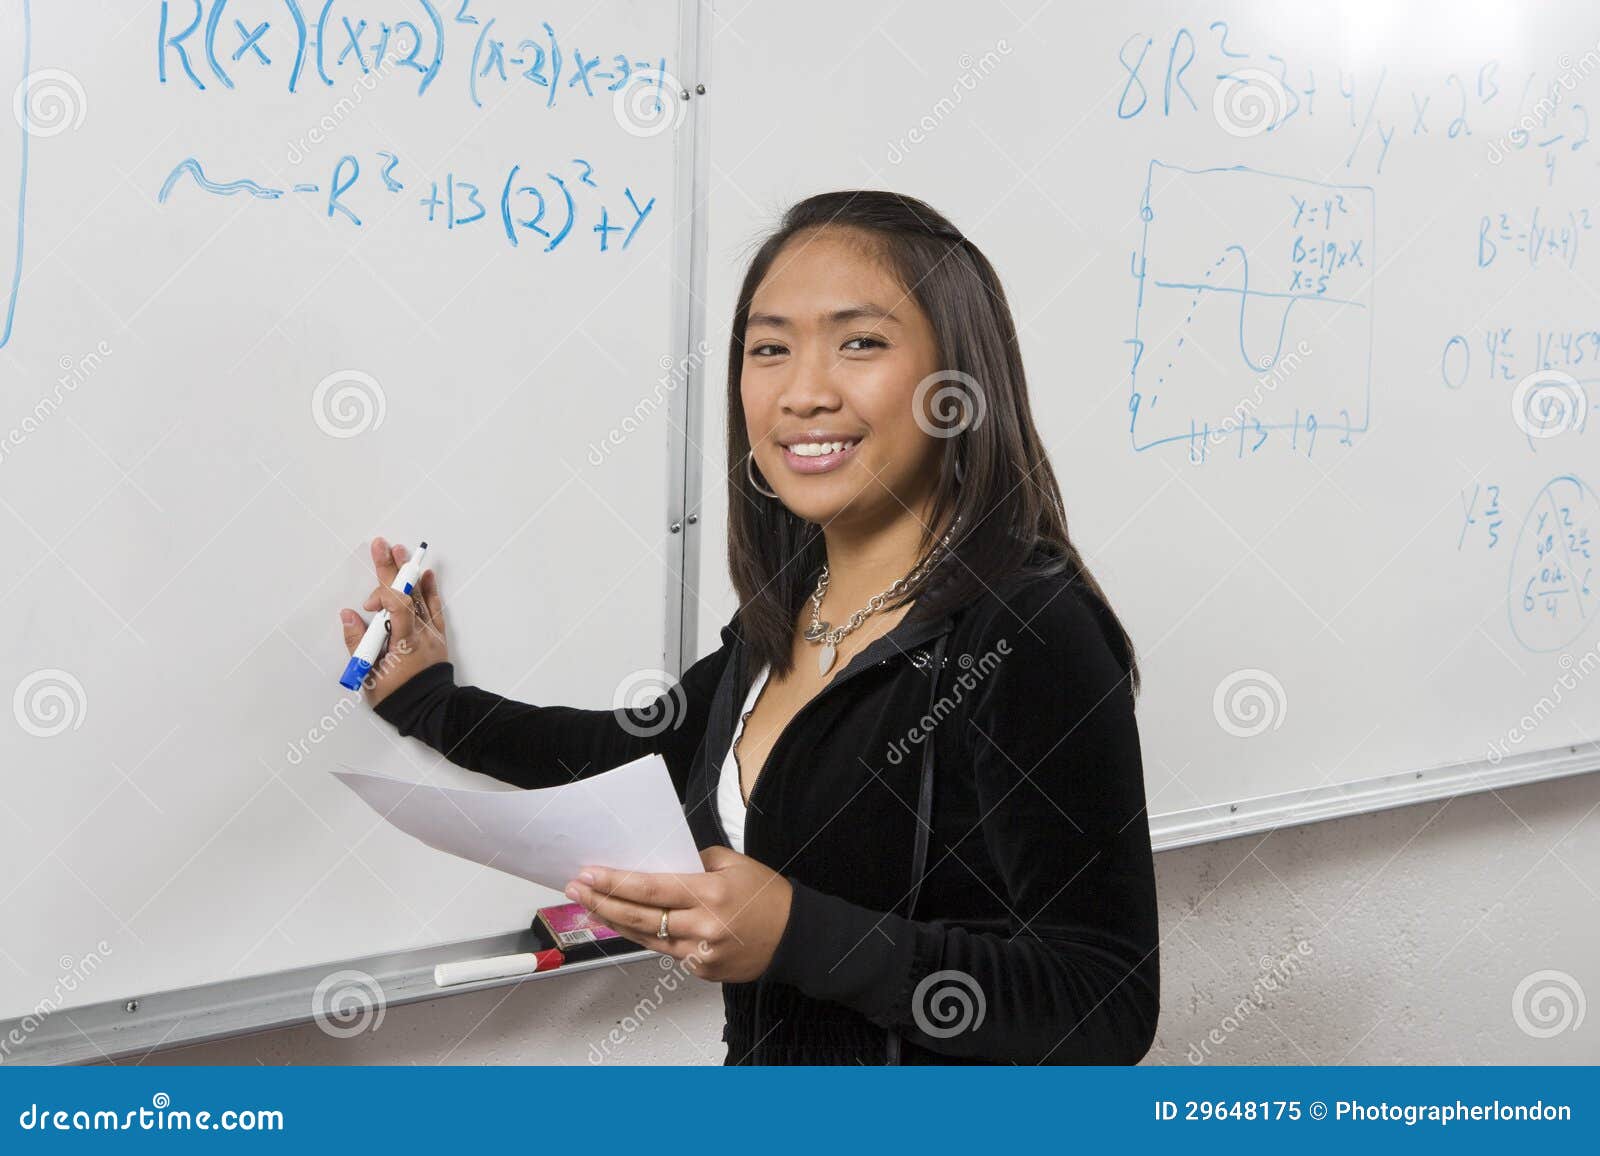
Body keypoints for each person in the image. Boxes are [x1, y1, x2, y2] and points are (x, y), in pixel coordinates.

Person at [340, 190, 1160, 1065]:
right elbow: (620, 753)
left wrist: (800, 935)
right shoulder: (788, 617)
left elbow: (1103, 1004)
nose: (802, 393)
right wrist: (427, 699)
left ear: (958, 379)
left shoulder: (1028, 632)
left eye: (861, 342)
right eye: (769, 348)